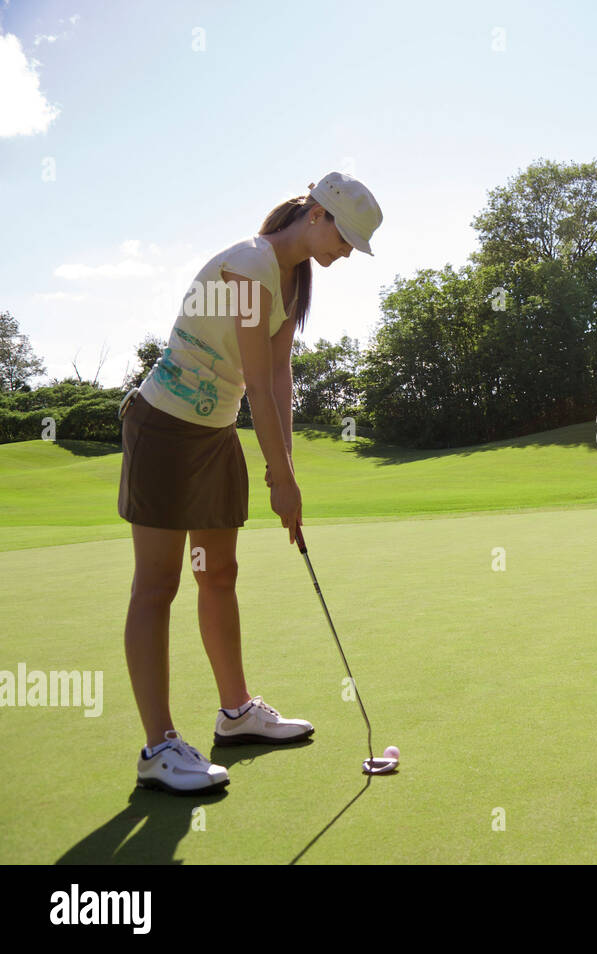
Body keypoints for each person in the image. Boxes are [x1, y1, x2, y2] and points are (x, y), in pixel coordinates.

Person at [118, 172, 382, 793]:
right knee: (157, 585)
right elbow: (258, 386)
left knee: (217, 574)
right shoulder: (247, 265)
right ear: (315, 214)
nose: (345, 252)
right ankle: (158, 747)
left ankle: (235, 714)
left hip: (213, 436)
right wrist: (278, 479)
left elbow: (281, 381)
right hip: (163, 428)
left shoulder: (291, 283)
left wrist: (286, 468)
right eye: (343, 237)